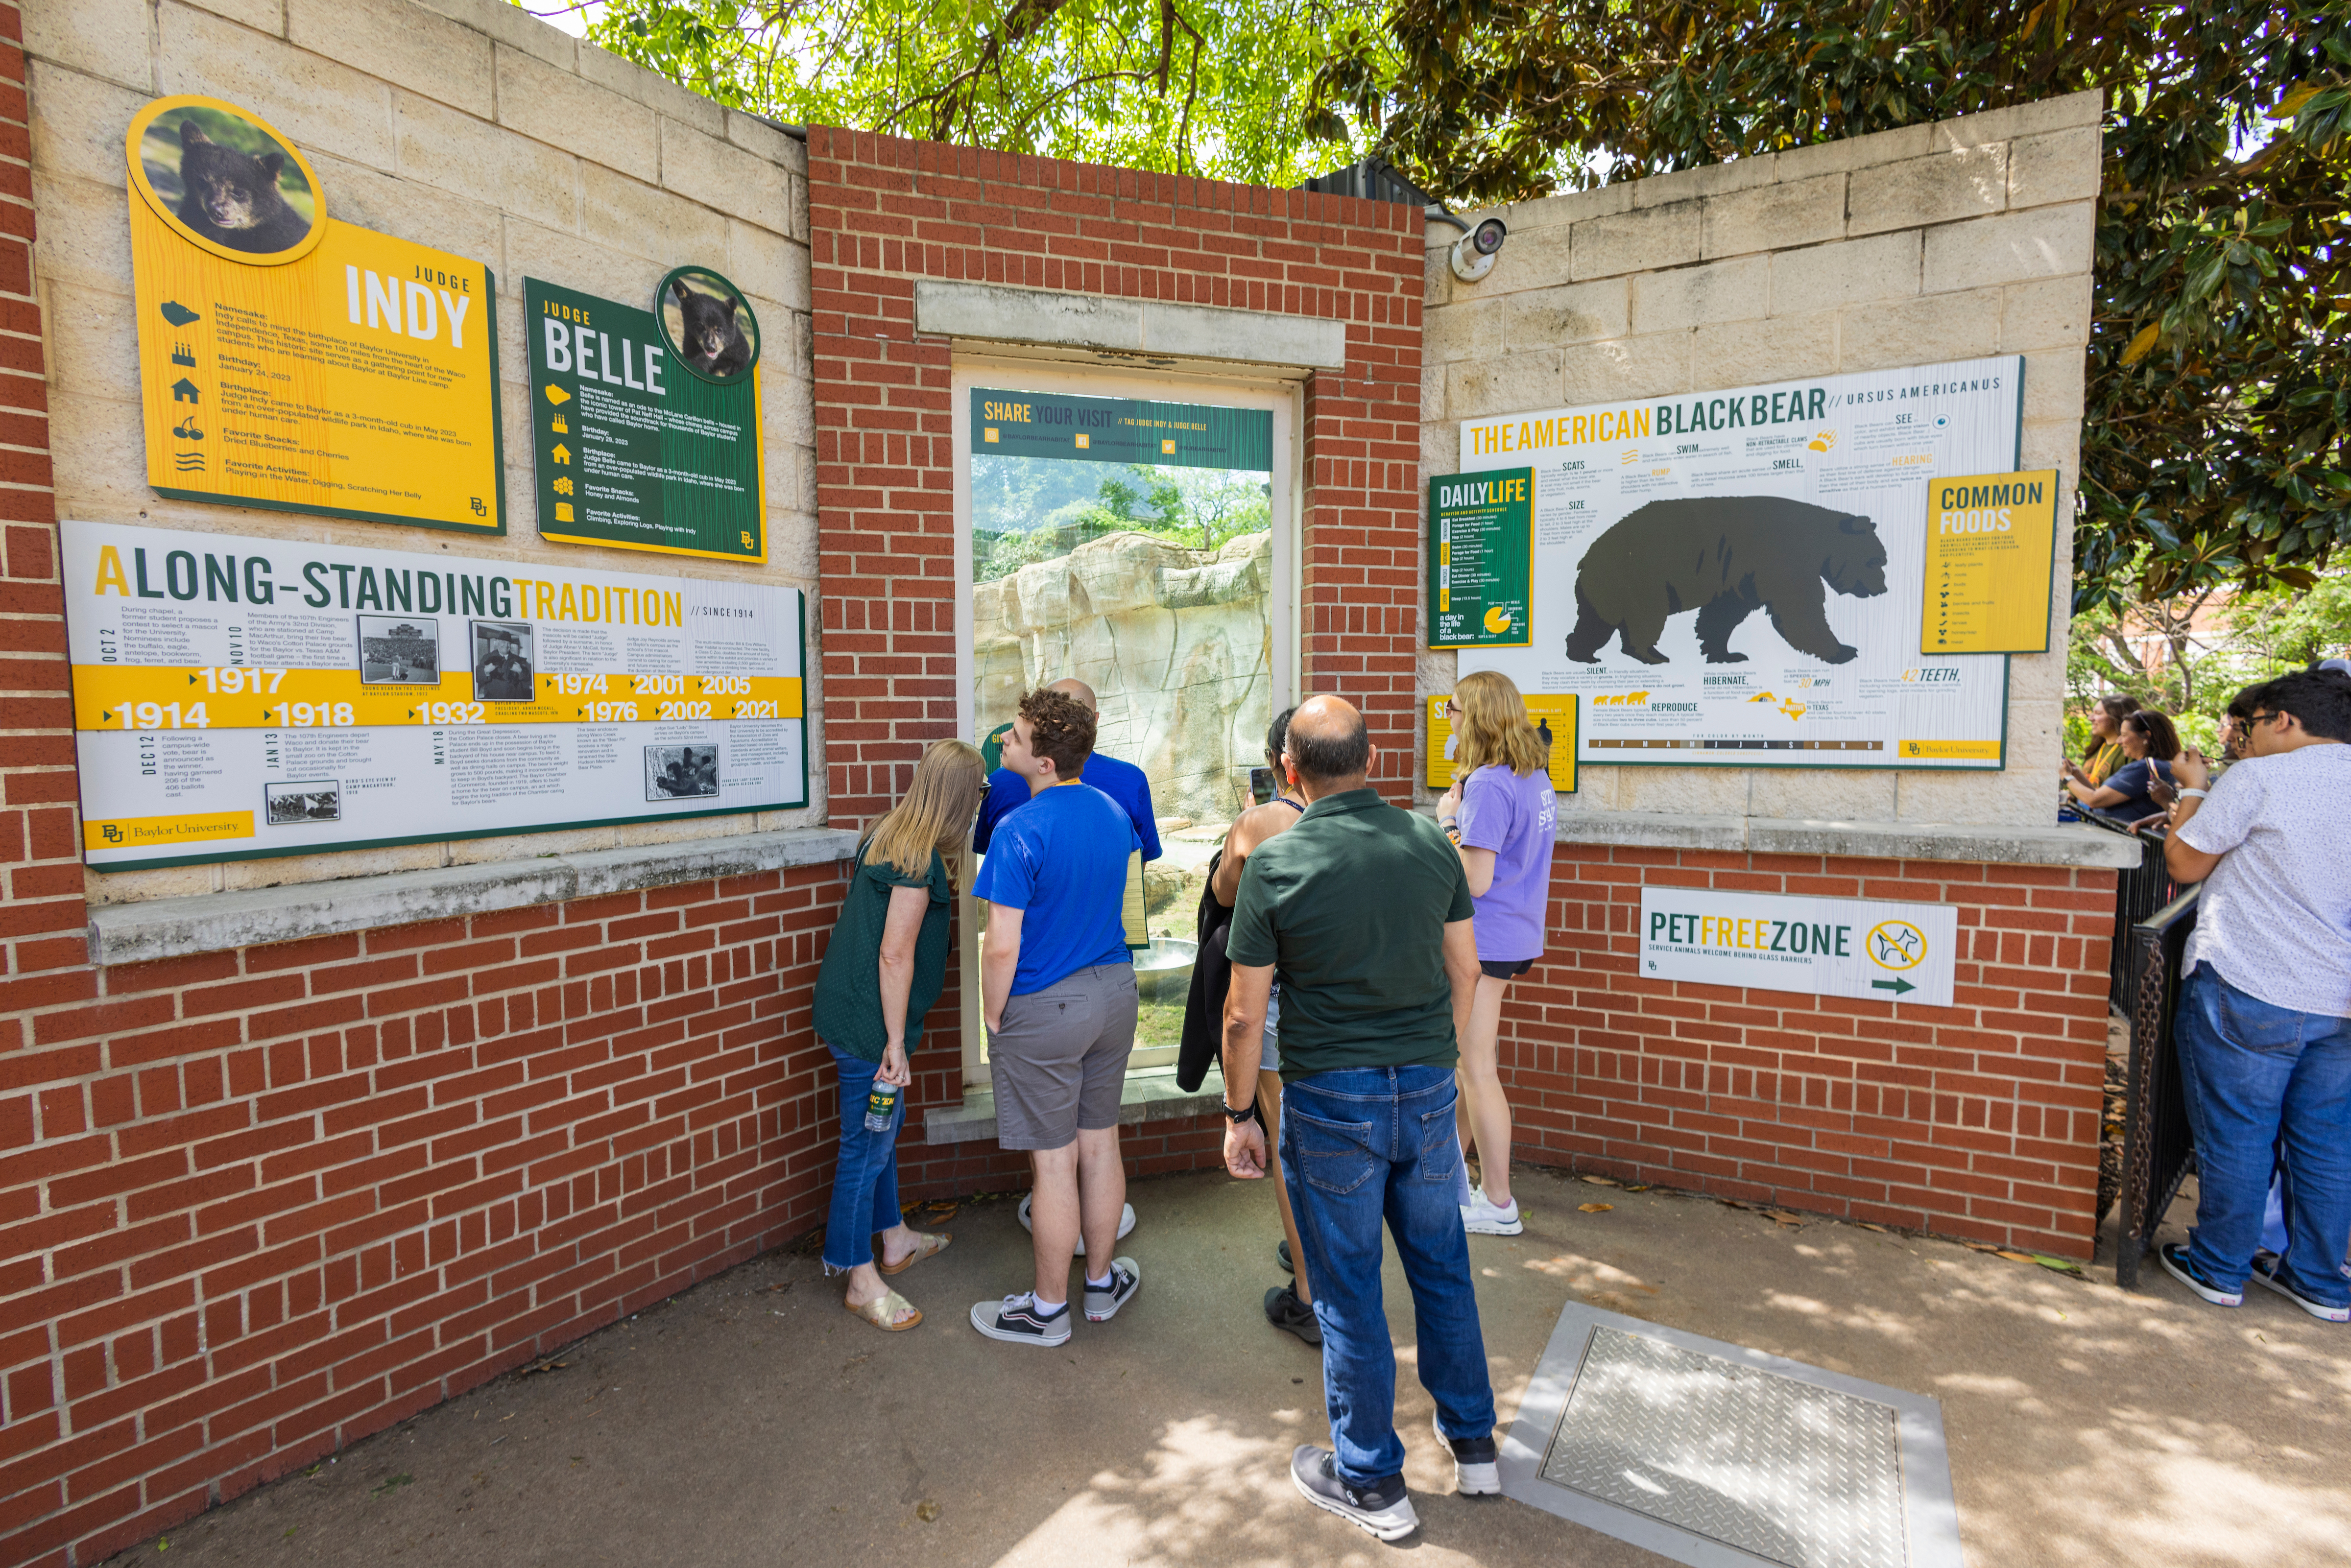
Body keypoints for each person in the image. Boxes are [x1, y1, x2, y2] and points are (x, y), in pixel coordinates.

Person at [1221, 695, 1496, 1541]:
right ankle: (1476, 1446)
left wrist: (1238, 1113)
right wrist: (1440, 1064)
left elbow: (1242, 1013)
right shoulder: (1427, 839)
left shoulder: (1278, 860)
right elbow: (1468, 967)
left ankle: (1372, 1479)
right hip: (1424, 1087)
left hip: (1329, 1096)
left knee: (1347, 1288)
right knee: (1442, 1264)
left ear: (1288, 772)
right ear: (1372, 761)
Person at [2158, 669, 2351, 1323]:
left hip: (2254, 982)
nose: (2247, 737)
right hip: (2340, 998)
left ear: (2286, 720)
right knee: (2326, 1141)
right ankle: (2321, 1278)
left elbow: (2184, 861)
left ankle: (2219, 1267)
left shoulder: (2264, 777)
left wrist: (2192, 787)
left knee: (2240, 1133)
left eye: (2253, 724)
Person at [969, 688, 1145, 1346]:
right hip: (1114, 995)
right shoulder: (1111, 810)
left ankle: (1046, 1311)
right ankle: (1101, 1285)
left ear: (1043, 760)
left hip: (1048, 1005)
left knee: (1053, 1164)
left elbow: (1002, 942)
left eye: (1013, 738)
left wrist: (994, 1016)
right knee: (1099, 1145)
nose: (1004, 745)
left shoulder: (1020, 828)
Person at [810, 739, 987, 1330]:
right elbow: (894, 955)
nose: (982, 802)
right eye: (980, 792)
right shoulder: (918, 862)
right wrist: (892, 1042)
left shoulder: (889, 832)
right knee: (865, 1144)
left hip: (856, 1011)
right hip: (868, 1023)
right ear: (961, 799)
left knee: (883, 1126)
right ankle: (859, 1276)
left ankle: (895, 1238)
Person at [1194, 706, 1317, 1345]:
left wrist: (1248, 820)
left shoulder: (1263, 820)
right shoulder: (1376, 824)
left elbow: (1224, 891)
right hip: (1350, 1008)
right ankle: (1319, 1259)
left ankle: (1308, 1293)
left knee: (1292, 1150)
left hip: (1282, 1006)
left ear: (1280, 764)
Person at [1434, 671, 1558, 1236]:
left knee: (1476, 1067)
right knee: (1470, 1064)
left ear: (1476, 716)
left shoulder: (1486, 783)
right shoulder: (1532, 776)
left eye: (1453, 709)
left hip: (1486, 941)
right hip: (1516, 936)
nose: (1449, 719)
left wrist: (1448, 824)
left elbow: (1476, 879)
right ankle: (1449, 1176)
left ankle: (1499, 1202)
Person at [975, 678, 1161, 863]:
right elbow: (1136, 868)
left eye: (1016, 736)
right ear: (1094, 720)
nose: (1003, 737)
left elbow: (993, 869)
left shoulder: (1009, 823)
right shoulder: (1119, 810)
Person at [2065, 709, 2178, 824]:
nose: (2119, 741)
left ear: (2146, 736)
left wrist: (2066, 777)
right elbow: (2101, 797)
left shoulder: (2144, 768)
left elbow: (2094, 800)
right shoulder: (2162, 766)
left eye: (2124, 735)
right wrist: (2075, 773)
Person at [2063, 693, 2140, 790]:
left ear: (2118, 716)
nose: (2090, 718)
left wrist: (2067, 777)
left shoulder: (2130, 751)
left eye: (2098, 713)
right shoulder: (2096, 748)